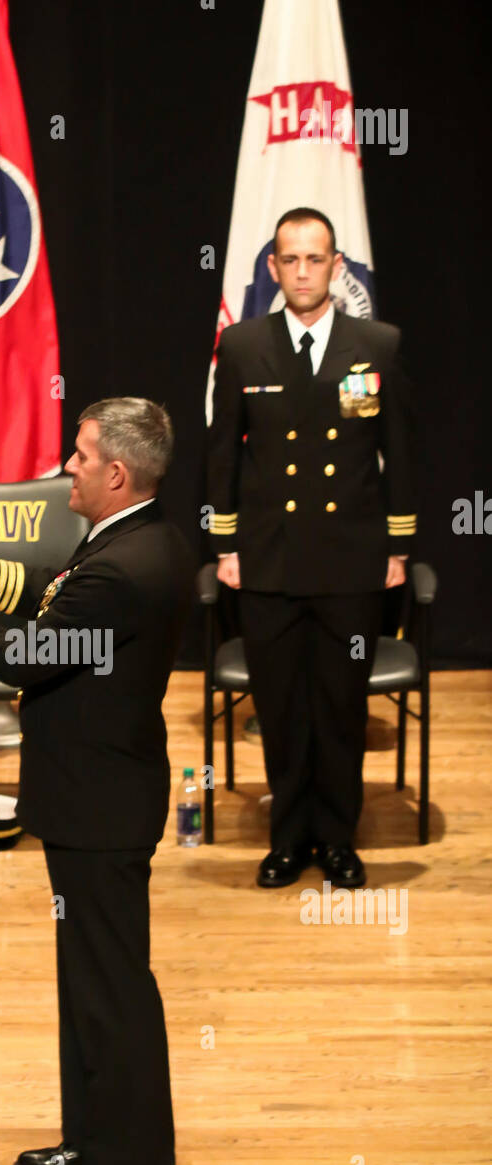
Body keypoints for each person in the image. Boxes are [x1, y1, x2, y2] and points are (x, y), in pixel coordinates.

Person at [0, 398, 196, 1165]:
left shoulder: (127, 567)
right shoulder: (130, 543)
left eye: (82, 455)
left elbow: (27, 653)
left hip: (101, 803)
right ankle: (89, 1136)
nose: (69, 465)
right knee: (87, 980)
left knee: (111, 984)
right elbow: (52, 595)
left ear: (117, 473)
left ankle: (133, 1164)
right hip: (94, 795)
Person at [207, 207, 416, 889]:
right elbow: (222, 460)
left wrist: (398, 546)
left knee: (340, 704)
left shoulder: (378, 343)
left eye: (315, 259)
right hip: (266, 559)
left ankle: (338, 839)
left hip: (351, 559)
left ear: (337, 266)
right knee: (280, 706)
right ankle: (289, 838)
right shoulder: (242, 346)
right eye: (289, 259)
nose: (302, 271)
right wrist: (225, 545)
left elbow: (401, 453)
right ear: (272, 267)